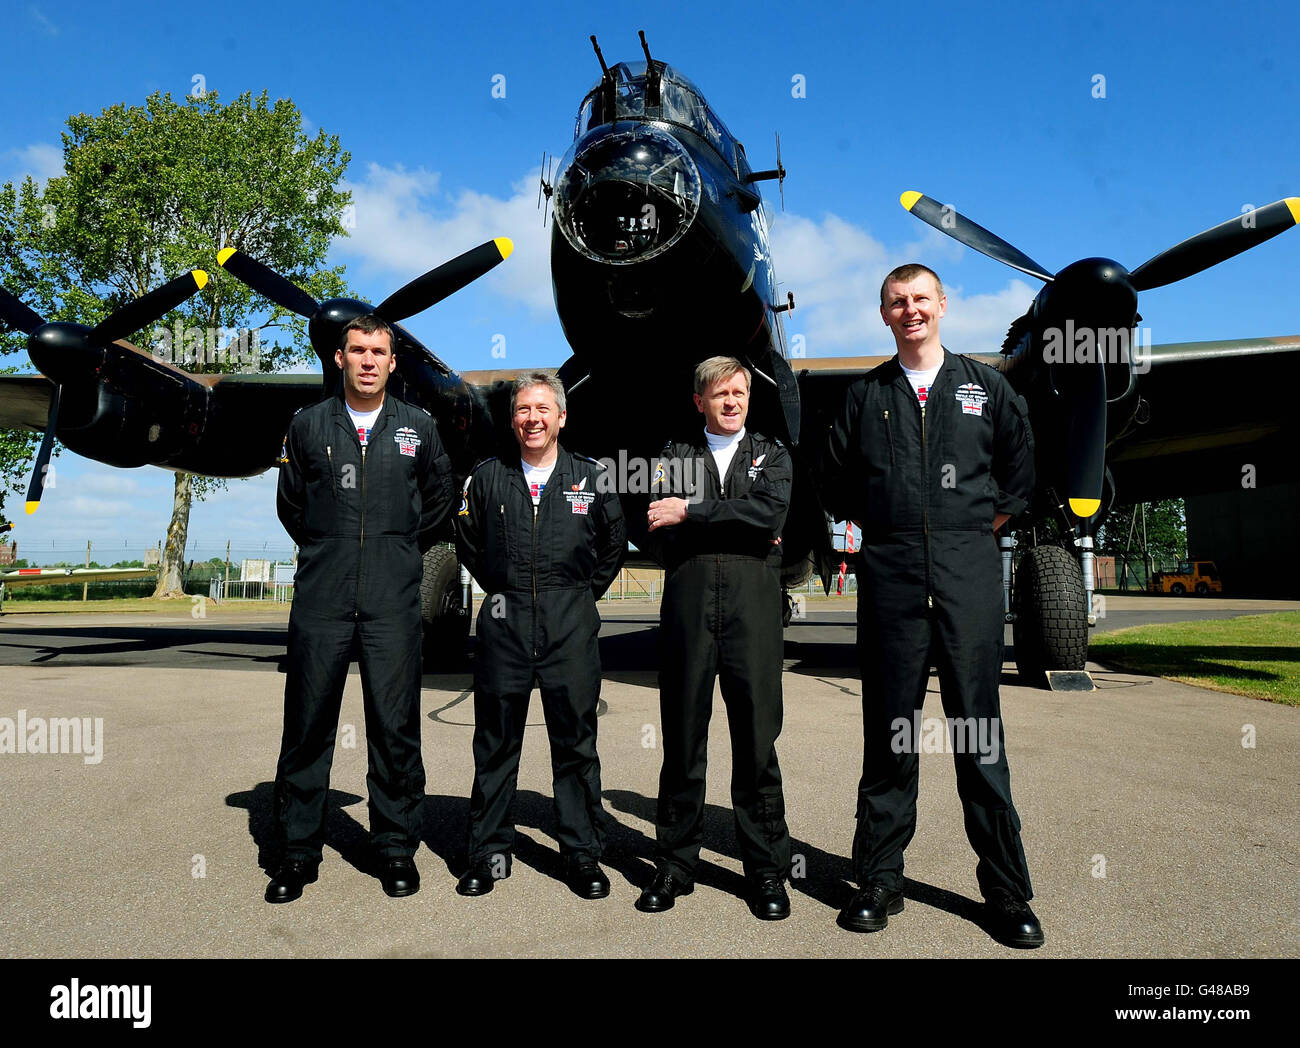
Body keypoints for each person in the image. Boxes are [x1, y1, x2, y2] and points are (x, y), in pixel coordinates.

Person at [819, 263, 1043, 947]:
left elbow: (1018, 481)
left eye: (920, 299)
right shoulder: (865, 397)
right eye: (897, 302)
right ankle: (879, 879)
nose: (910, 311)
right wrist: (890, 535)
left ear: (942, 304)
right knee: (892, 736)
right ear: (883, 314)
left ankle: (1006, 892)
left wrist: (964, 538)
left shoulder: (989, 389)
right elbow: (833, 478)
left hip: (967, 576)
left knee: (978, 736)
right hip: (889, 580)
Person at [267, 314, 455, 904]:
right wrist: (332, 548)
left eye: (379, 351)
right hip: (322, 599)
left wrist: (394, 549)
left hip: (392, 603)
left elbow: (439, 501)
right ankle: (297, 852)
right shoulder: (307, 426)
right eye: (358, 350)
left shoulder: (419, 428)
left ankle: (395, 847)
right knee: (307, 726)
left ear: (393, 363)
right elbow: (292, 506)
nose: (369, 360)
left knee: (395, 727)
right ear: (339, 359)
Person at [453, 371, 626, 899]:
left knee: (575, 745)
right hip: (505, 626)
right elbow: (469, 546)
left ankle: (581, 854)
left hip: (569, 626)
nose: (533, 419)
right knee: (496, 744)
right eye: (523, 410)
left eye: (542, 409)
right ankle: (487, 854)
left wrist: (571, 599)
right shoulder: (485, 478)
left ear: (561, 417)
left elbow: (612, 549)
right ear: (513, 420)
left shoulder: (592, 478)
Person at [637, 356, 794, 921]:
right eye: (719, 394)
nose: (731, 402)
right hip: (688, 604)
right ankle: (675, 864)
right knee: (681, 739)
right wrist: (719, 523)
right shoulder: (672, 457)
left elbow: (768, 514)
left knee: (756, 742)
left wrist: (693, 513)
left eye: (739, 393)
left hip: (753, 610)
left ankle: (767, 870)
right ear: (698, 400)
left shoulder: (771, 455)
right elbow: (653, 522)